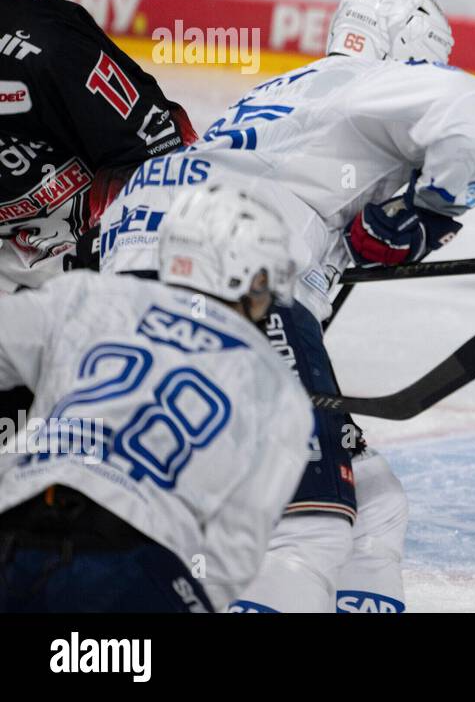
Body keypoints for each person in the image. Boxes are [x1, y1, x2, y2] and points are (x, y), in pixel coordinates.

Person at [98, 0, 475, 612]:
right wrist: (429, 208)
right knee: (306, 524)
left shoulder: (285, 100)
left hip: (141, 279)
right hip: (228, 277)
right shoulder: (363, 83)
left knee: (374, 503)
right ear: (407, 47)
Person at [0, 183, 311, 612]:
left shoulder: (88, 294)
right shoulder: (277, 385)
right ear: (245, 274)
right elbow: (231, 553)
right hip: (131, 562)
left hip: (14, 522)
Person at [0, 0, 195, 293]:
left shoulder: (48, 50)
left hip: (109, 255)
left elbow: (160, 154)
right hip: (19, 274)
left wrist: (108, 253)